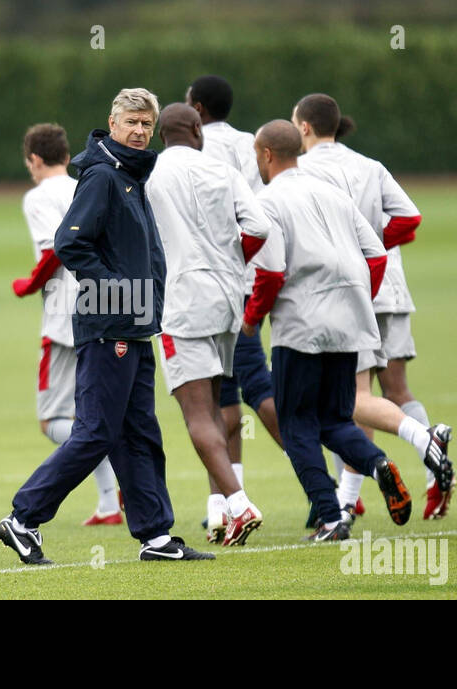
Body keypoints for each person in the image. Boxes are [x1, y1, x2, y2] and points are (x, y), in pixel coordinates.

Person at [0, 88, 213, 564]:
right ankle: (23, 519)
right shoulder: (102, 176)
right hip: (108, 323)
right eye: (131, 122)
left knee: (139, 433)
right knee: (95, 432)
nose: (138, 131)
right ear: (112, 125)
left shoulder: (131, 175)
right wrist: (116, 288)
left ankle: (156, 537)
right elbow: (69, 244)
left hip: (134, 325)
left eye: (145, 124)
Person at [244, 120, 412, 542]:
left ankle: (331, 517)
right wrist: (355, 302)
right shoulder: (333, 193)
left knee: (297, 422)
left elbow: (271, 272)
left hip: (302, 326)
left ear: (265, 155)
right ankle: (376, 463)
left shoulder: (266, 200)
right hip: (348, 323)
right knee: (335, 418)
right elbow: (376, 255)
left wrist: (252, 318)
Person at [292, 94, 454, 527]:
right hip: (390, 286)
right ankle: (420, 471)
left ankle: (422, 441)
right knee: (396, 390)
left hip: (345, 295)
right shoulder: (369, 165)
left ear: (304, 127)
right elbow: (409, 219)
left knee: (351, 401)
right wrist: (373, 244)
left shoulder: (298, 172)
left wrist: (350, 252)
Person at [147, 103, 270, 545]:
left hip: (181, 301)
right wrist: (233, 262)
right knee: (216, 406)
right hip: (227, 299)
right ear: (197, 129)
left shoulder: (152, 174)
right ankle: (218, 510)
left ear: (162, 135)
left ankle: (239, 503)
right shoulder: (223, 169)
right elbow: (258, 226)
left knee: (195, 413)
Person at [10, 123, 122, 526]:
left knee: (52, 420)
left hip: (63, 316)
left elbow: (53, 250)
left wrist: (27, 286)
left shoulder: (38, 197)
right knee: (92, 409)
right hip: (104, 307)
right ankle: (109, 504)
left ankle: (111, 460)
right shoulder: (86, 184)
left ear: (35, 160)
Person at [186, 76, 286, 516]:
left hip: (208, 286)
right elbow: (262, 213)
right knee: (227, 397)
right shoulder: (251, 143)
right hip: (248, 279)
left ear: (199, 109)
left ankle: (319, 471)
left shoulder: (187, 149)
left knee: (237, 389)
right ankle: (222, 505)